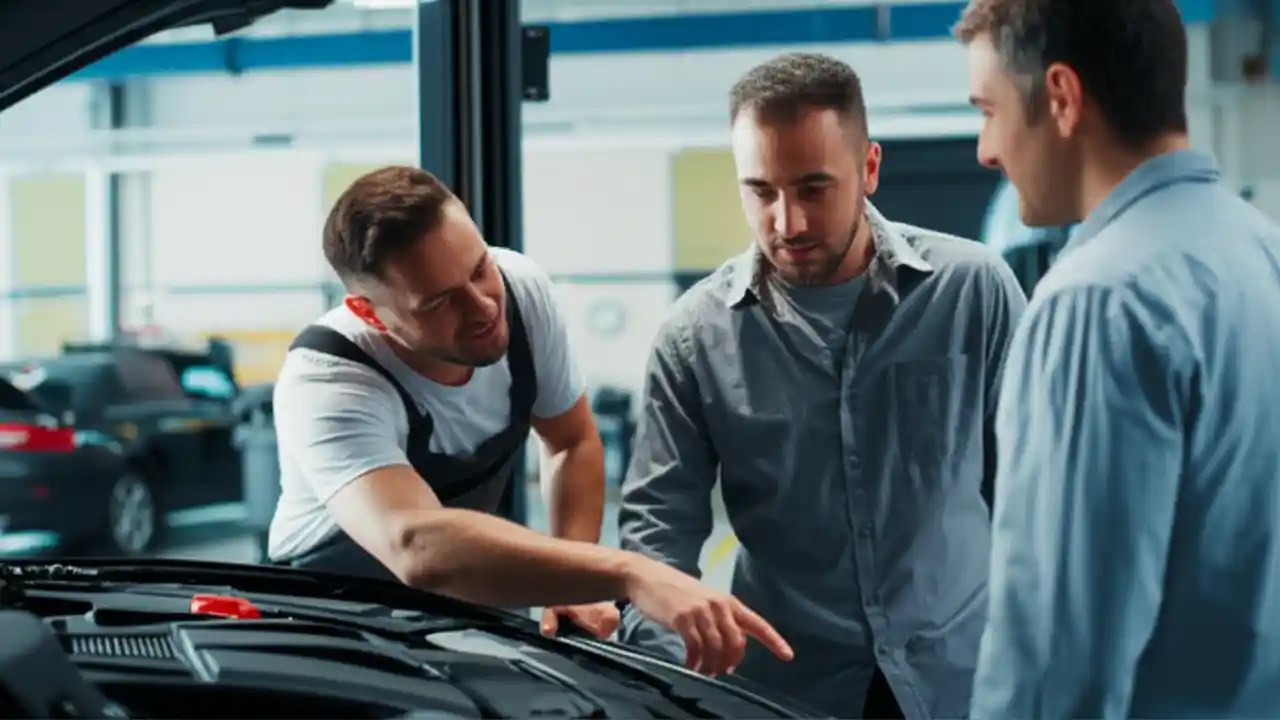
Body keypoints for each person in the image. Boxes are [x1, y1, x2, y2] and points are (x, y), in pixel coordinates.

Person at [616, 53, 1028, 718]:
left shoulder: (972, 291)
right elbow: (657, 536)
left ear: (869, 167)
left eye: (813, 189)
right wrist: (665, 690)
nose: (789, 224)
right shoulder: (695, 337)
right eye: (761, 192)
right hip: (790, 694)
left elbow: (1033, 494)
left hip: (963, 683)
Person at [266, 165, 794, 675]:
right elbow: (416, 545)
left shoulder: (519, 292)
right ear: (368, 312)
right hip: (331, 619)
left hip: (450, 609)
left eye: (479, 267)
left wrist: (572, 589)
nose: (482, 307)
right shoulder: (328, 378)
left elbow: (570, 441)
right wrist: (628, 572)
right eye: (441, 301)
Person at [956, 1, 1280, 717]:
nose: (986, 149)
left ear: (1062, 98)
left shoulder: (1097, 302)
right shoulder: (1261, 252)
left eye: (989, 111)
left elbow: (1055, 672)